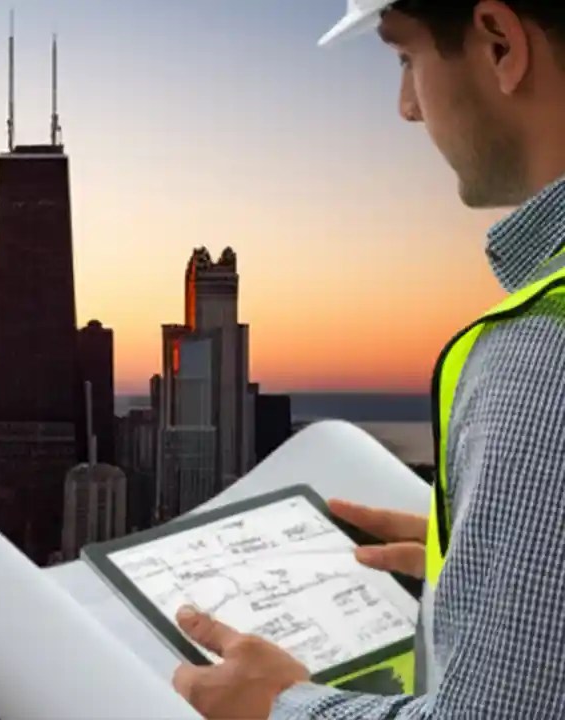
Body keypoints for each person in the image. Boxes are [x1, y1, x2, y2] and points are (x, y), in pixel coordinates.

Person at [169, 1, 565, 718]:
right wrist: (485, 560)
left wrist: (278, 704)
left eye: (406, 60)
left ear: (501, 44)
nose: (407, 108)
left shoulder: (541, 354)